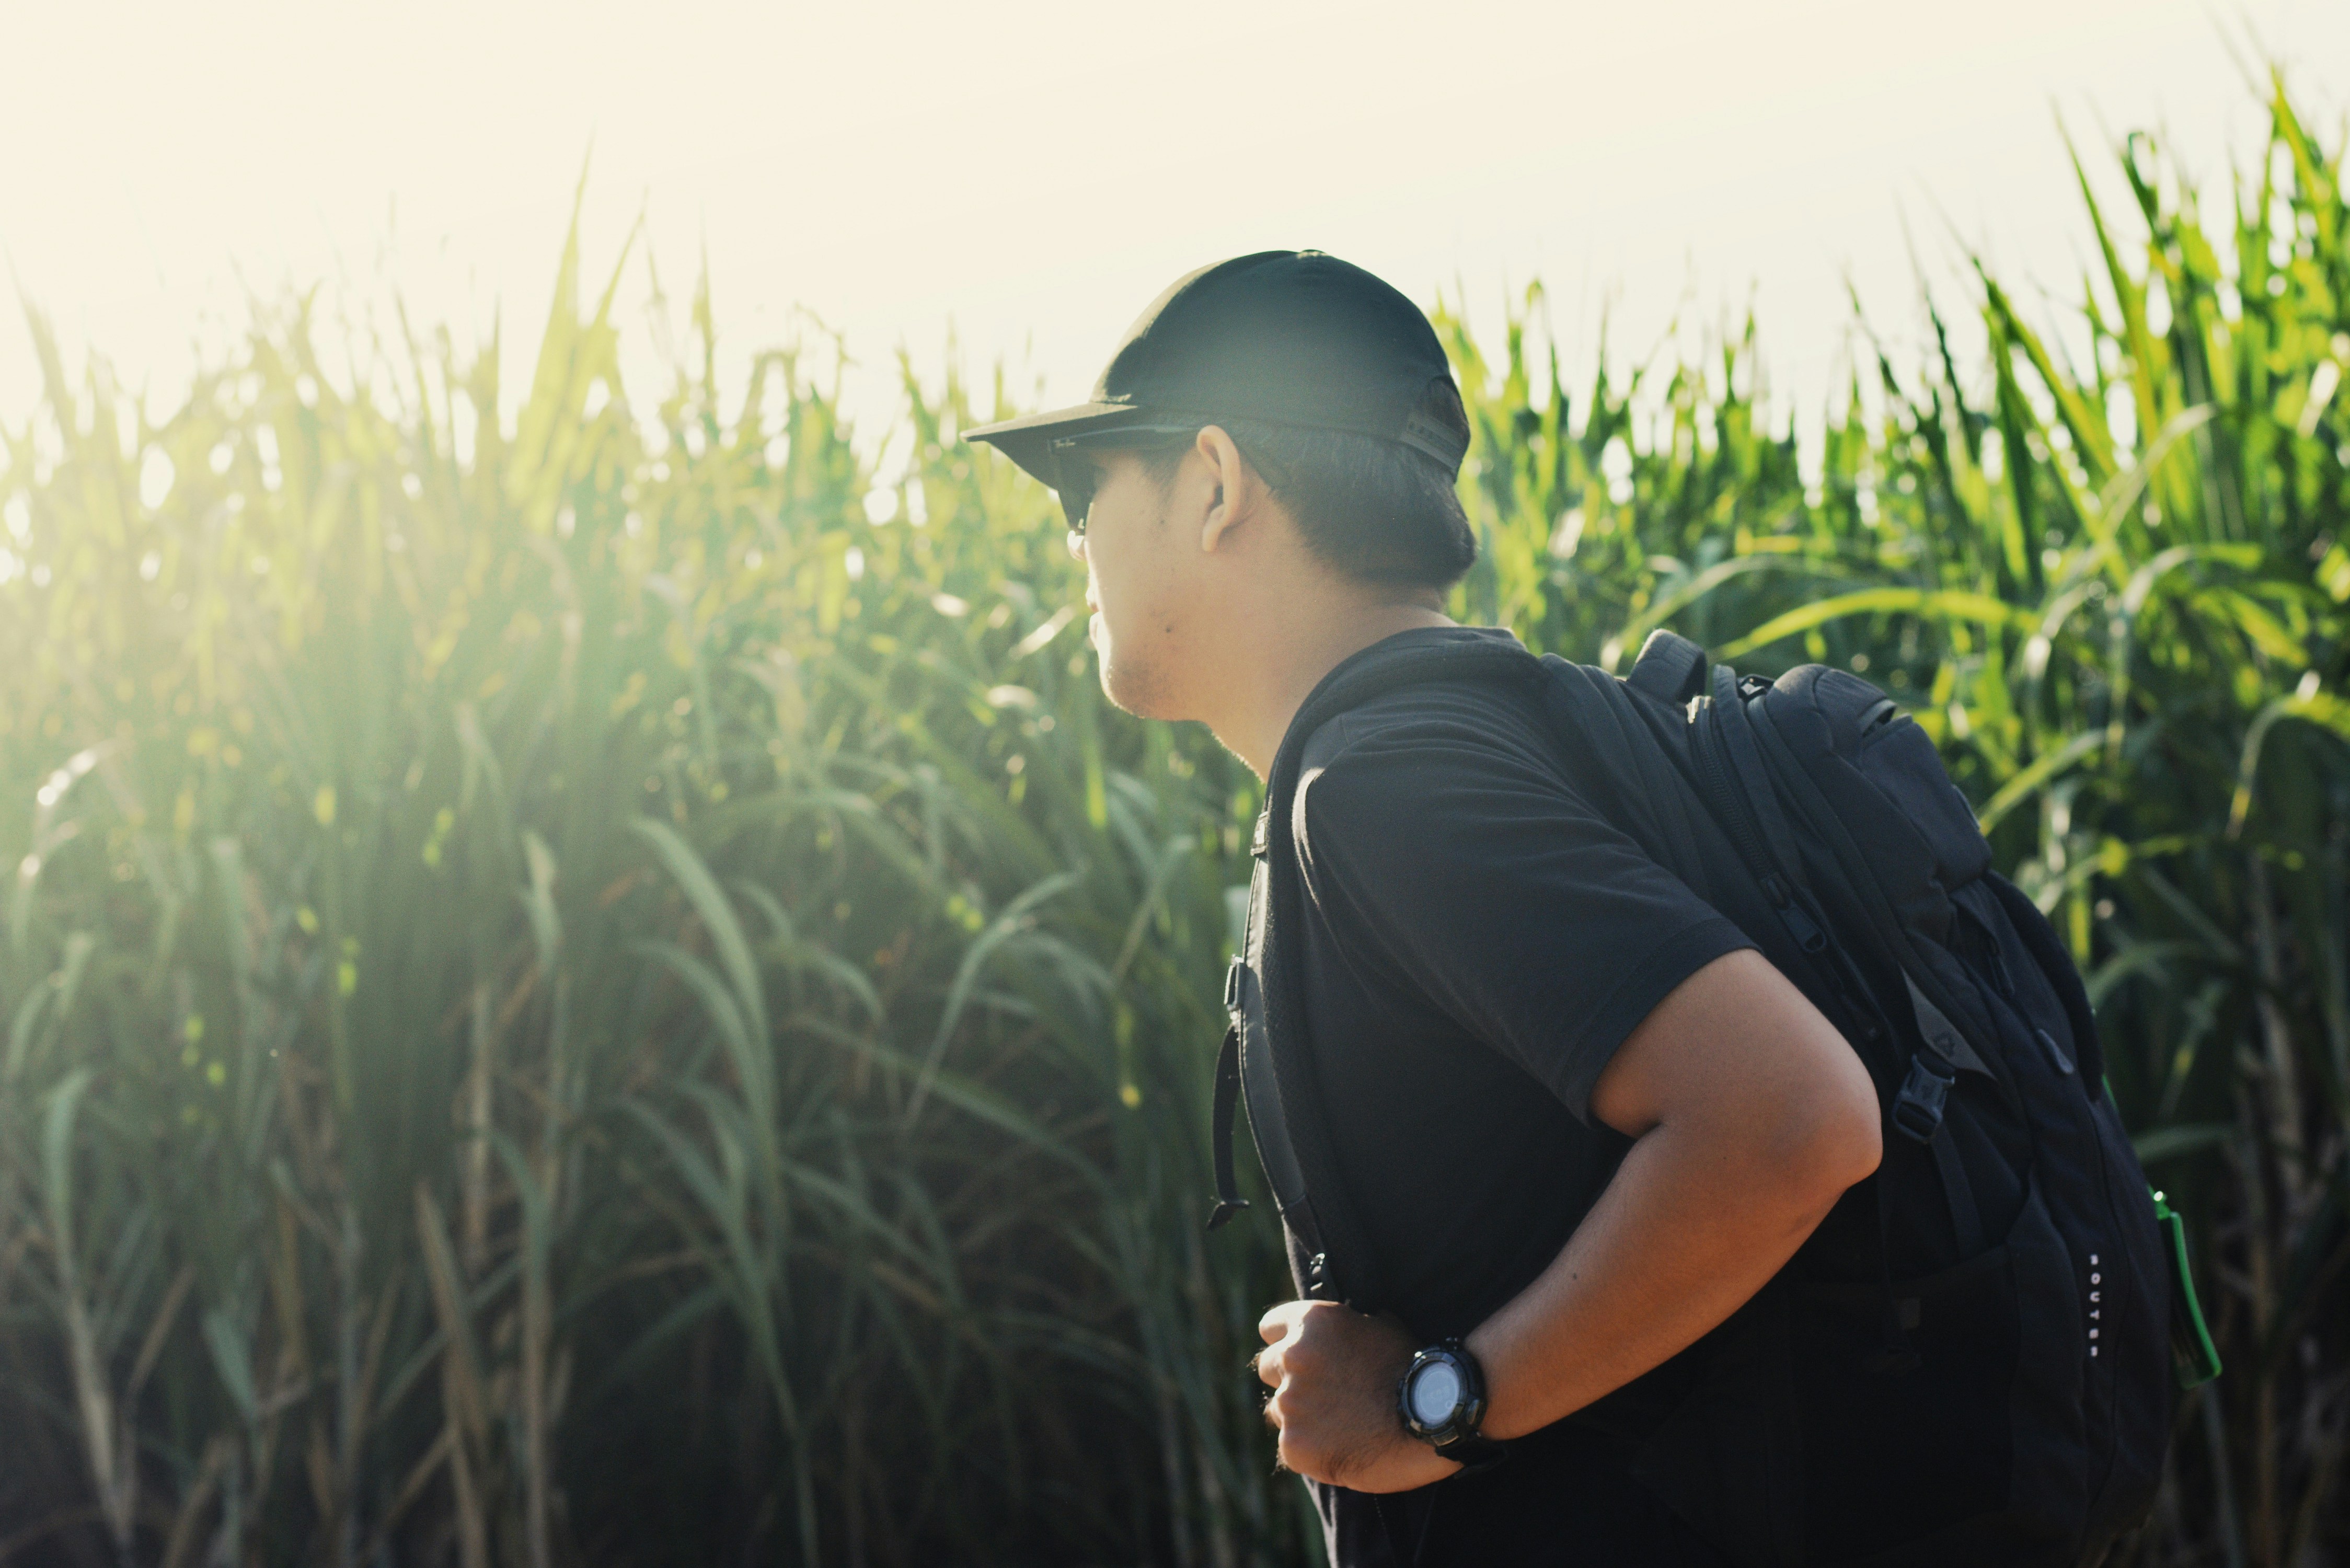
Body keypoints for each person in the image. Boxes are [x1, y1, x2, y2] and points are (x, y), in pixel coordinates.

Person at [969, 252, 1883, 1565]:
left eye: (1083, 482)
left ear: (1217, 485)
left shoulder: (1382, 787)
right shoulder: (1523, 733)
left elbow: (1792, 1115)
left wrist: (1430, 1406)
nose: (1071, 532)